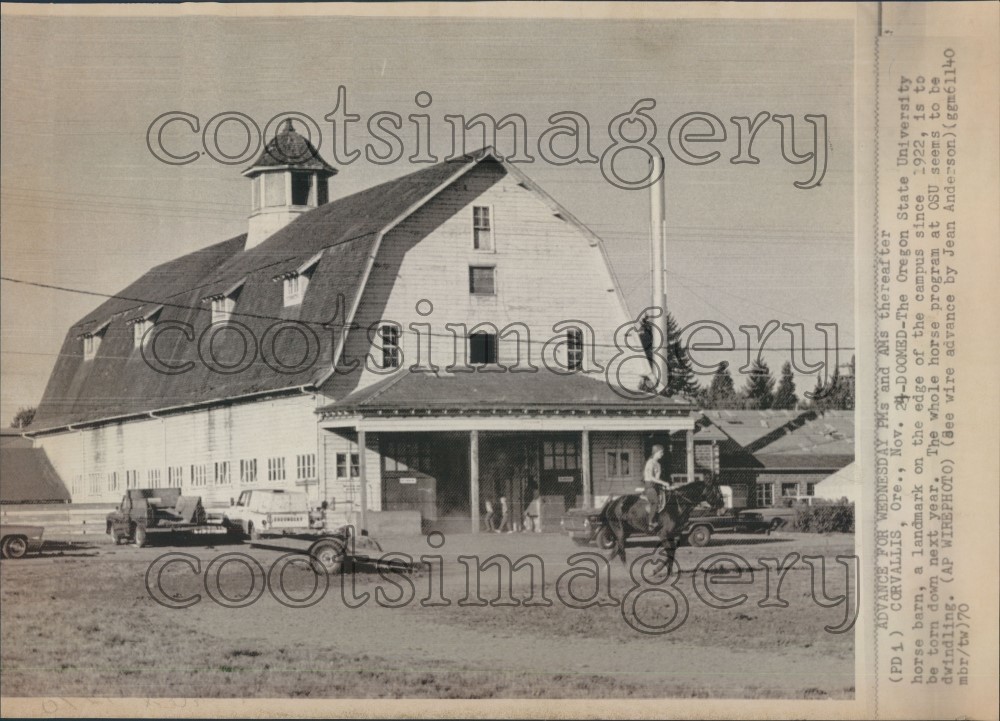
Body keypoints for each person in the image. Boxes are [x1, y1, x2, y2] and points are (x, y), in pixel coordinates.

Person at [643, 444, 679, 531]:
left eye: (662, 453)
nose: (662, 454)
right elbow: (651, 477)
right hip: (650, 486)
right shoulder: (650, 462)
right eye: (661, 452)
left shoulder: (658, 464)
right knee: (655, 502)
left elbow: (657, 479)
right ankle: (650, 522)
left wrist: (666, 486)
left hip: (656, 486)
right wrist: (663, 483)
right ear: (655, 452)